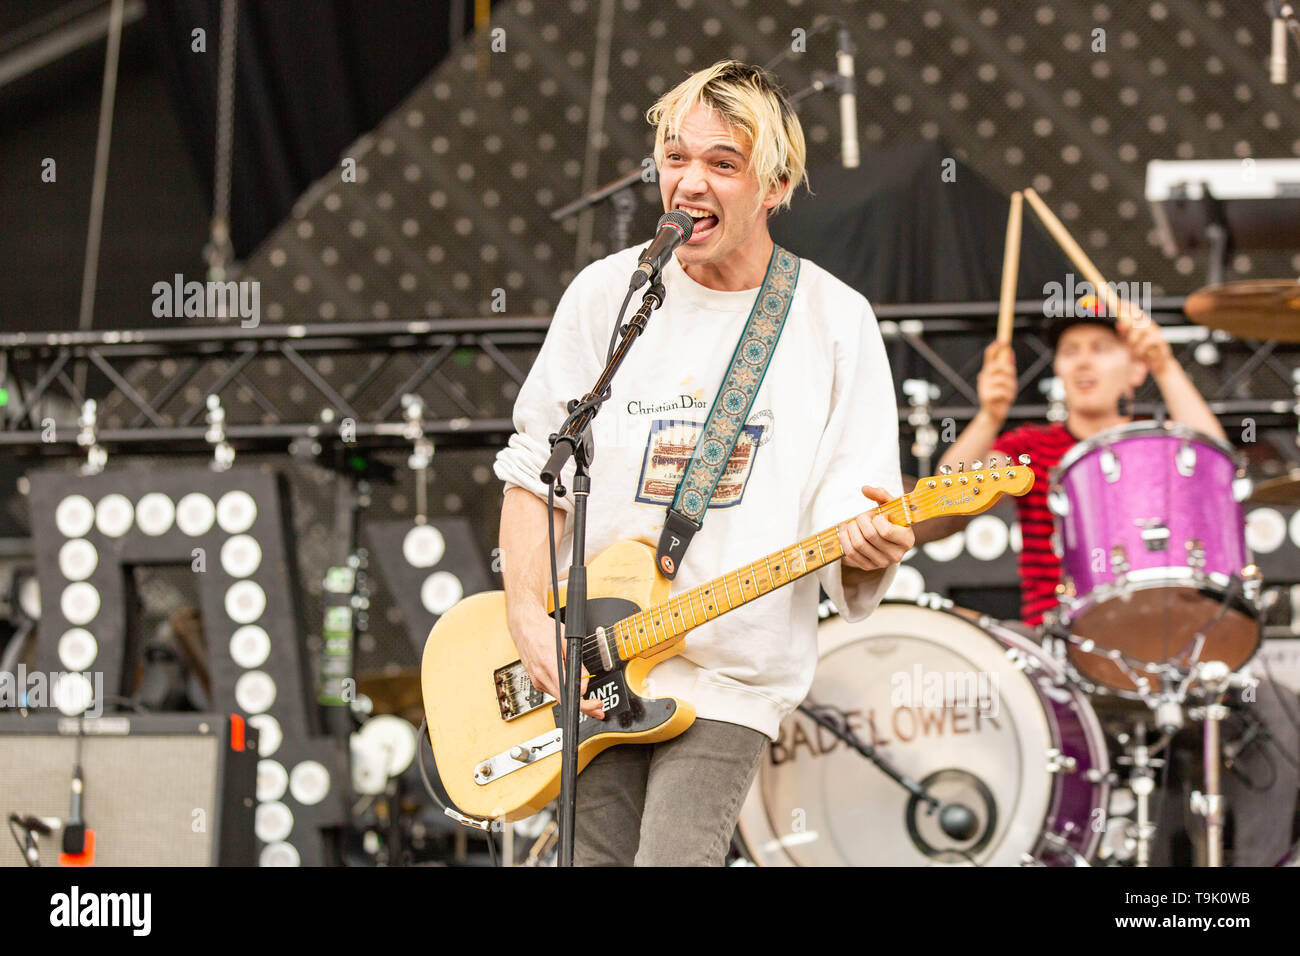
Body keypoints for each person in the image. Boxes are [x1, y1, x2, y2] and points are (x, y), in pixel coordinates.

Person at [492, 60, 912, 866]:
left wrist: (867, 549)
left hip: (730, 676)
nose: (690, 182)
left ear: (776, 185)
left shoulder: (830, 317)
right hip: (597, 661)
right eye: (676, 157)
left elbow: (850, 504)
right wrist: (527, 620)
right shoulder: (606, 294)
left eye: (723, 164)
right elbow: (533, 477)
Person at [914, 302, 1299, 866]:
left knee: (1280, 714)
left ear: (1134, 367)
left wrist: (1168, 365)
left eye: (1101, 348)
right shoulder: (1030, 447)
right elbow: (943, 502)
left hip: (1175, 653)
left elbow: (1217, 471)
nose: (1082, 361)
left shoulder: (1163, 443)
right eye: (1070, 351)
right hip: (1059, 649)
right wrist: (988, 416)